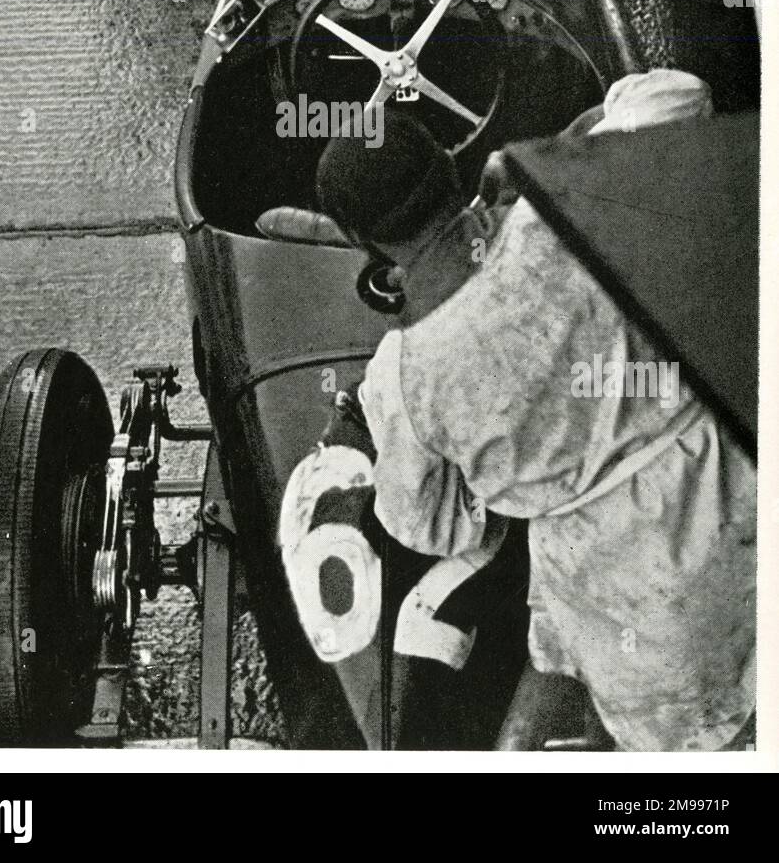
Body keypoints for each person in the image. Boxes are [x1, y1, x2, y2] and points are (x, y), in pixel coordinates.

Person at [315, 71, 756, 751]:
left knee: (698, 733)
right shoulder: (562, 204)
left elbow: (433, 529)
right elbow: (680, 94)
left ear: (364, 243)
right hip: (732, 485)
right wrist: (540, 155)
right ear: (445, 161)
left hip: (621, 595)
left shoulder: (401, 376)